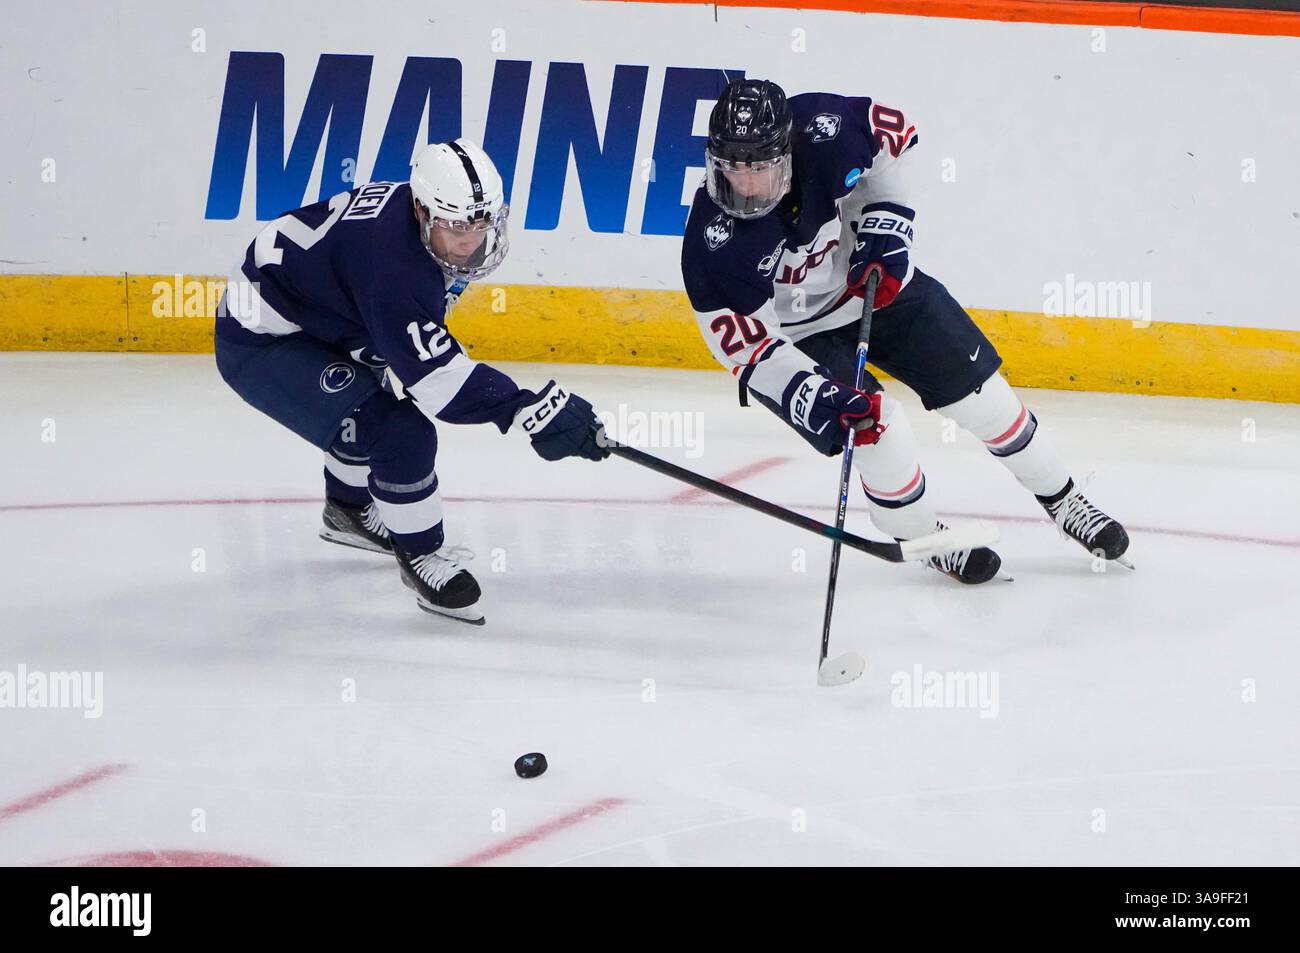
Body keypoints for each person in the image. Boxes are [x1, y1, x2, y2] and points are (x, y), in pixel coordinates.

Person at [681, 79, 1129, 583]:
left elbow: (895, 149)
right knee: (879, 429)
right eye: (732, 167)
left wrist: (885, 223)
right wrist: (812, 392)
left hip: (870, 284)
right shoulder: (713, 246)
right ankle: (923, 537)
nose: (744, 183)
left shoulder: (829, 130)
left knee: (985, 398)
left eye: (758, 167)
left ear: (786, 151)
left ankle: (1065, 500)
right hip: (795, 335)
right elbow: (747, 348)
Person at [215, 139, 609, 624]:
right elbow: (439, 382)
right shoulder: (394, 267)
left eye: (482, 224)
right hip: (261, 339)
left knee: (371, 391)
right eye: (456, 227)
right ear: (422, 211)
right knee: (400, 432)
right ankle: (422, 554)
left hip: (318, 313)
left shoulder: (418, 227)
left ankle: (349, 510)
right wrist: (523, 408)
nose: (470, 241)